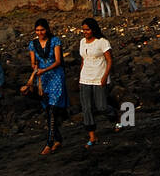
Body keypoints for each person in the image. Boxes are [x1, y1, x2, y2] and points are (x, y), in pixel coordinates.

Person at [21, 18, 68, 155]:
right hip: (43, 79)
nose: (40, 32)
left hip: (55, 76)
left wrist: (44, 69)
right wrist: (35, 68)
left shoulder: (55, 41)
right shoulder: (33, 44)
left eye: (42, 30)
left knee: (52, 108)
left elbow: (58, 61)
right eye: (37, 30)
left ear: (47, 29)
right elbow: (33, 62)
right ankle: (57, 139)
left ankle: (49, 142)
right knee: (47, 109)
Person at [77, 18, 113, 147]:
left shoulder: (102, 42)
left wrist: (105, 77)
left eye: (87, 29)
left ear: (93, 29)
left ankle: (115, 115)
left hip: (99, 77)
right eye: (84, 29)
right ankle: (92, 136)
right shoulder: (82, 42)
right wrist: (80, 77)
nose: (85, 32)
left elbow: (109, 60)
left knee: (101, 106)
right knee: (86, 108)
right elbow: (83, 60)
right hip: (85, 78)